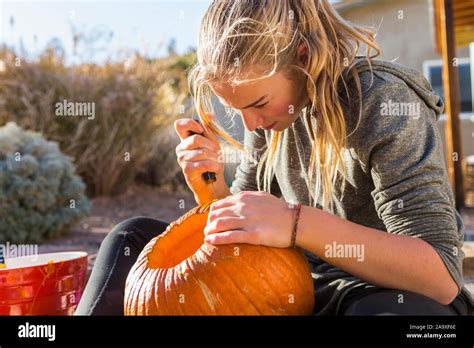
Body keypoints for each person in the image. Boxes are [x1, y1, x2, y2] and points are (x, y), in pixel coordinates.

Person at [76, 0, 473, 316]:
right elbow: (243, 250)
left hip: (383, 293)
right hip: (294, 286)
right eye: (240, 109)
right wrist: (211, 185)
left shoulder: (382, 101)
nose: (251, 124)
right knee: (131, 237)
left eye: (259, 103)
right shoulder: (268, 121)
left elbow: (440, 276)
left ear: (302, 57)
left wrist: (295, 223)